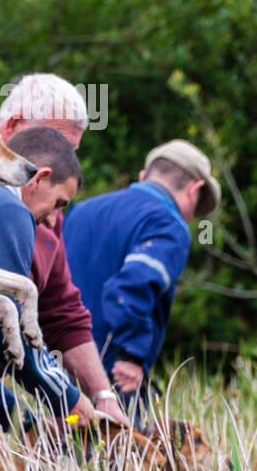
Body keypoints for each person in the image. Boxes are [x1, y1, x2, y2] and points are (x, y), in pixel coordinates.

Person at [0, 73, 126, 424]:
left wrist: (103, 394)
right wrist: (61, 398)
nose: (63, 160)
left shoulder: (48, 206)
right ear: (14, 126)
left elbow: (61, 310)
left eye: (71, 152)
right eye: (54, 142)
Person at [64, 139, 220, 415]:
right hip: (109, 367)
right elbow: (130, 286)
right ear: (194, 190)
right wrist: (131, 355)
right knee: (116, 453)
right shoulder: (168, 224)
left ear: (143, 177)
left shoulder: (81, 210)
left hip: (56, 362)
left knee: (58, 449)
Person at [0, 127, 86, 428]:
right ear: (38, 178)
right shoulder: (7, 208)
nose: (53, 219)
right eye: (59, 203)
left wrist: (19, 416)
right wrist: (72, 401)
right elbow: (11, 334)